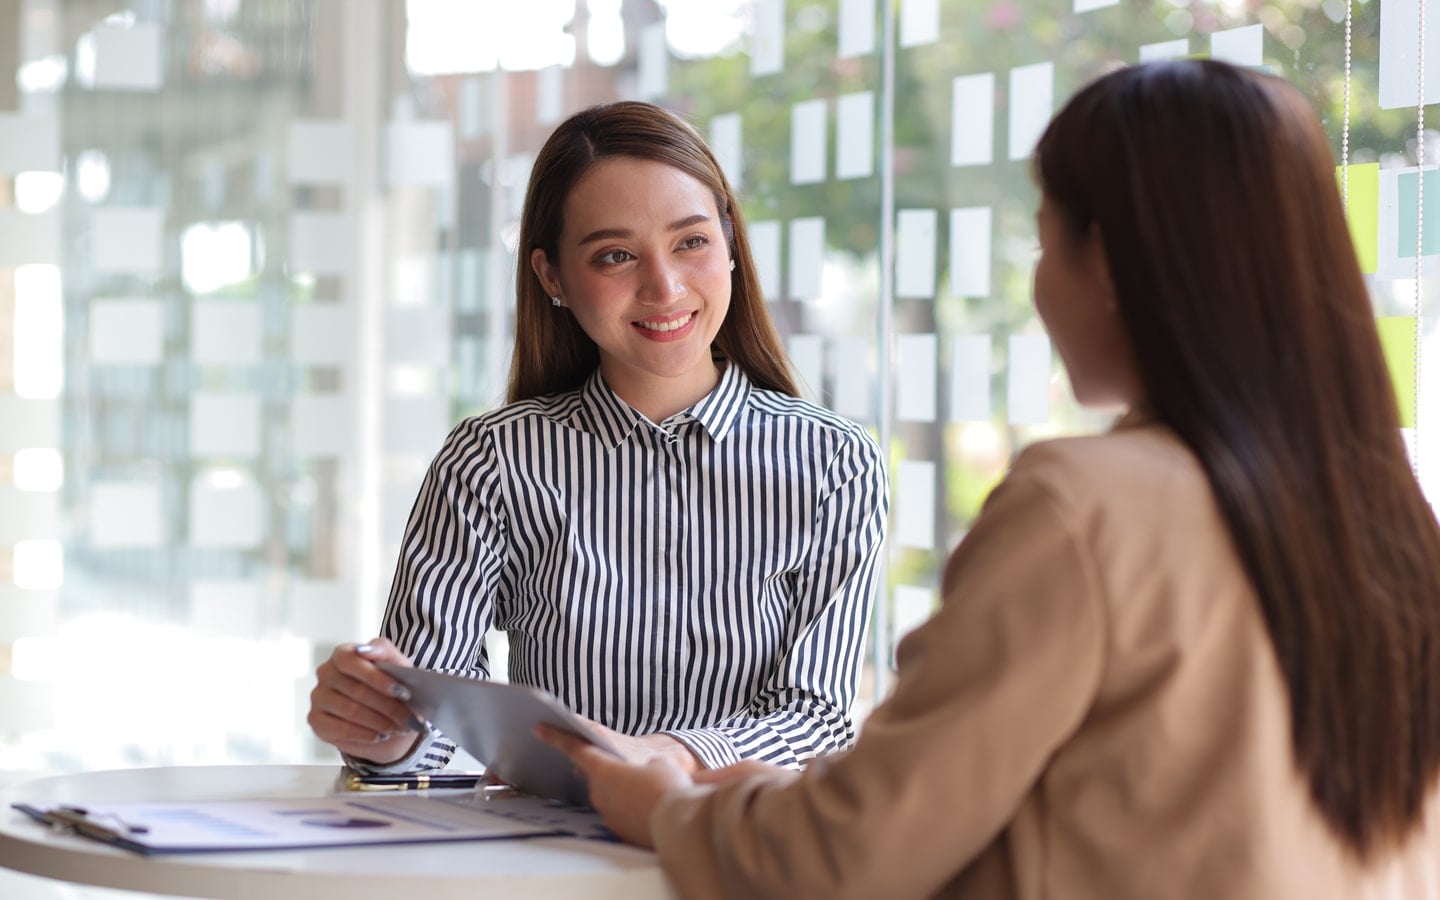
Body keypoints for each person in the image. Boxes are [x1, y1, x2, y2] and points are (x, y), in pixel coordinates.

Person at [541, 60, 1440, 898]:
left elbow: (857, 850)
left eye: (1047, 245)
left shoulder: (1085, 507)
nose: (1042, 288)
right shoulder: (1389, 515)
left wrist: (664, 806)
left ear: (1117, 268)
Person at [306, 100, 888, 776]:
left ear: (730, 245)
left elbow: (818, 718)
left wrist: (657, 756)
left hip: (739, 859)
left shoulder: (833, 463)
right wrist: (378, 728)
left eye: (691, 241)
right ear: (553, 277)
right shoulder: (492, 462)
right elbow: (432, 719)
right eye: (615, 255)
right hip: (548, 867)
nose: (664, 287)